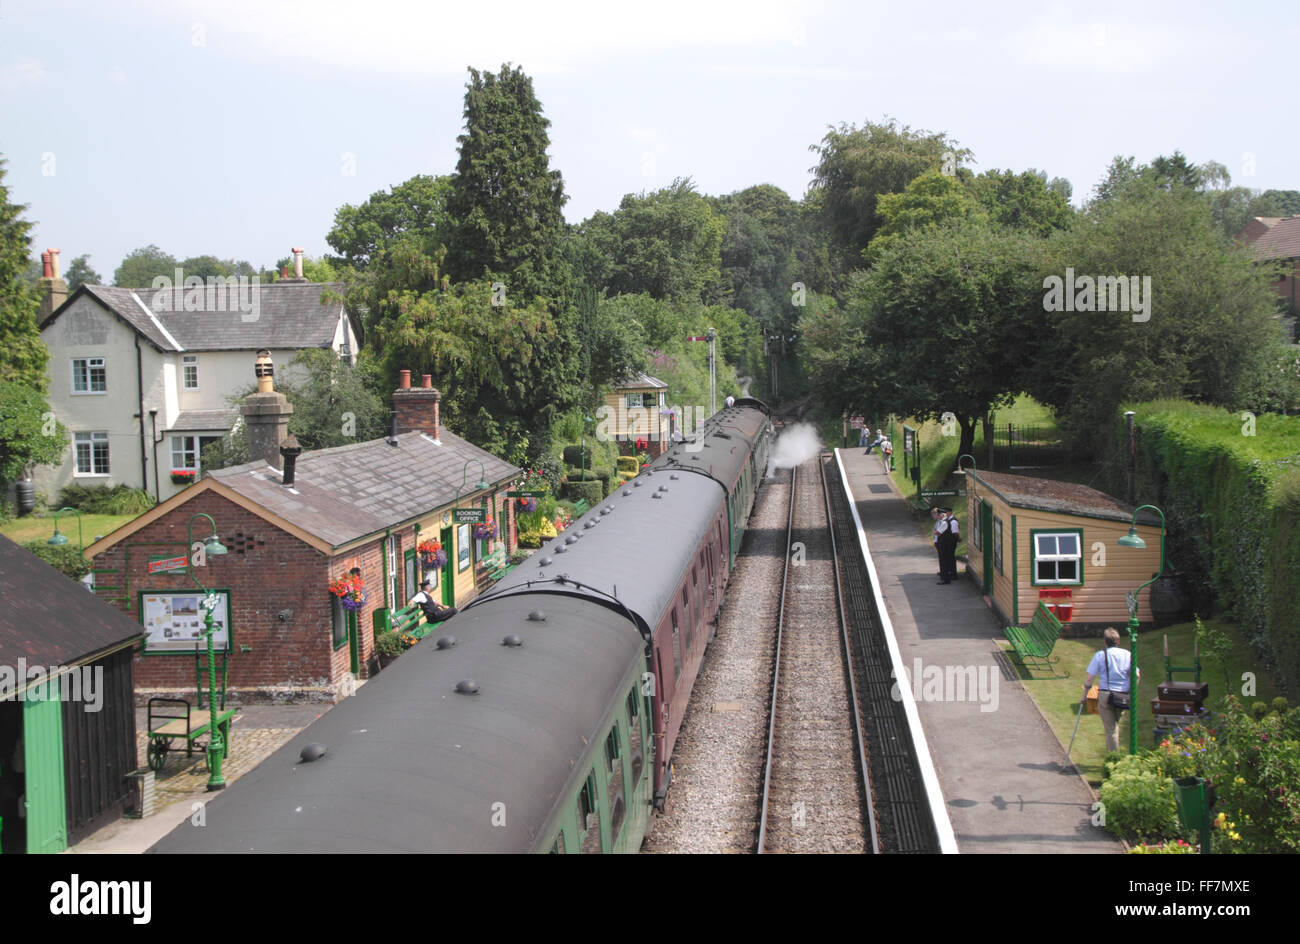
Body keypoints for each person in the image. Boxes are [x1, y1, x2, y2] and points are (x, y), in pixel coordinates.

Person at [1082, 628, 1140, 752]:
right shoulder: (1127, 654)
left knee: (1111, 729)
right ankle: (1115, 756)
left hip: (1106, 695)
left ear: (1105, 641)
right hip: (1123, 696)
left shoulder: (1100, 655)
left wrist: (1084, 696)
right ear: (1118, 641)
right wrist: (1131, 693)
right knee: (1115, 726)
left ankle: (1113, 758)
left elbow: (1090, 679)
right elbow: (1137, 675)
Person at [939, 508, 959, 582]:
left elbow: (955, 533)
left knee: (950, 557)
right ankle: (949, 572)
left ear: (949, 513)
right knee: (948, 557)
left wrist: (958, 539)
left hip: (951, 542)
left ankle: (953, 574)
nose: (944, 515)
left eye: (945, 513)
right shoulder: (948, 521)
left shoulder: (953, 521)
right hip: (948, 542)